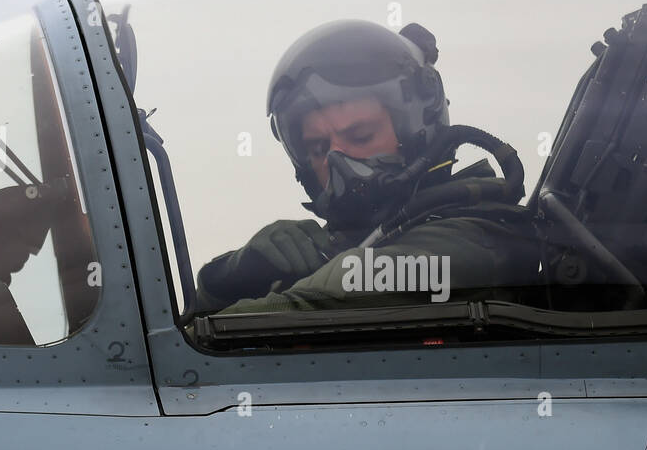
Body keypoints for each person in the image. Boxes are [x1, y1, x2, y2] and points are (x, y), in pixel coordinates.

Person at [192, 19, 539, 315]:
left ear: (417, 130)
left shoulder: (478, 239)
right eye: (318, 147)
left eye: (361, 135)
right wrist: (228, 278)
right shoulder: (357, 246)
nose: (336, 160)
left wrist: (216, 307)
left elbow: (303, 306)